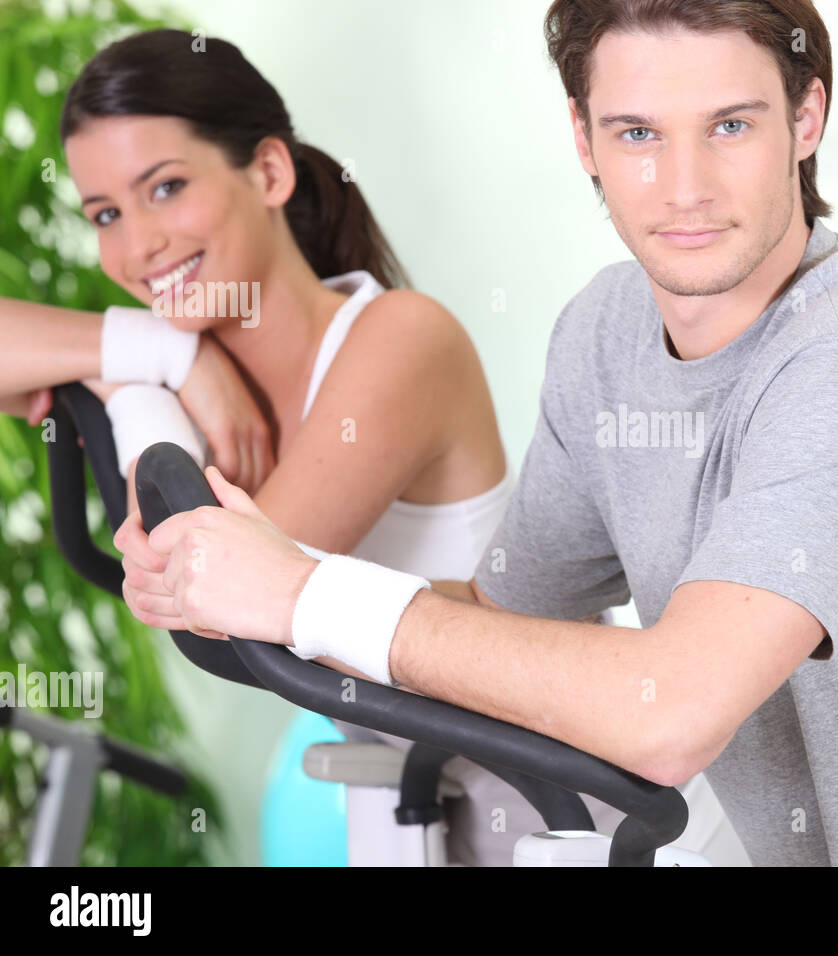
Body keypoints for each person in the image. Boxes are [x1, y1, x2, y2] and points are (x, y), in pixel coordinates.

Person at [116, 0, 838, 866]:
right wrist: (268, 566)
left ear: (806, 120)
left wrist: (305, 599)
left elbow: (667, 714)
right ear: (583, 138)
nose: (685, 185)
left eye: (732, 125)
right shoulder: (607, 331)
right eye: (640, 131)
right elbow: (510, 618)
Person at [0, 27, 738, 867]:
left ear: (269, 172)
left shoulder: (399, 339)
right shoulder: (188, 366)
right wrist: (154, 354)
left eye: (166, 188)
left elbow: (227, 593)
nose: (138, 246)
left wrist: (138, 393)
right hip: (421, 803)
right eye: (105, 214)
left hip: (587, 810)